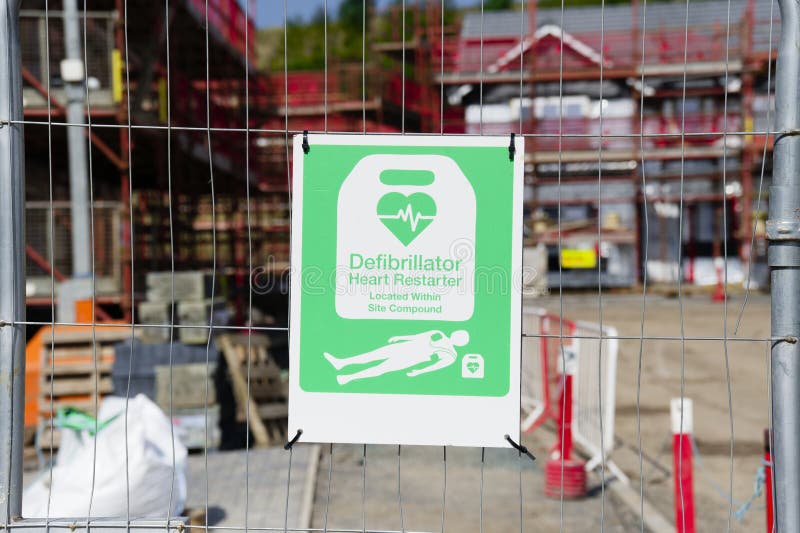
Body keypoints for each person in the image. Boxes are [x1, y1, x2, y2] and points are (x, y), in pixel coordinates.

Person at [324, 329, 469, 385]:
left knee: (379, 368)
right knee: (371, 357)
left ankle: (347, 377)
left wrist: (419, 371)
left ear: (459, 340)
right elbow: (417, 336)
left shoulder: (451, 355)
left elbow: (434, 367)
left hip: (410, 357)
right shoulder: (439, 334)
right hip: (403, 348)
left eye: (459, 335)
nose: (456, 334)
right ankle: (341, 364)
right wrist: (400, 337)